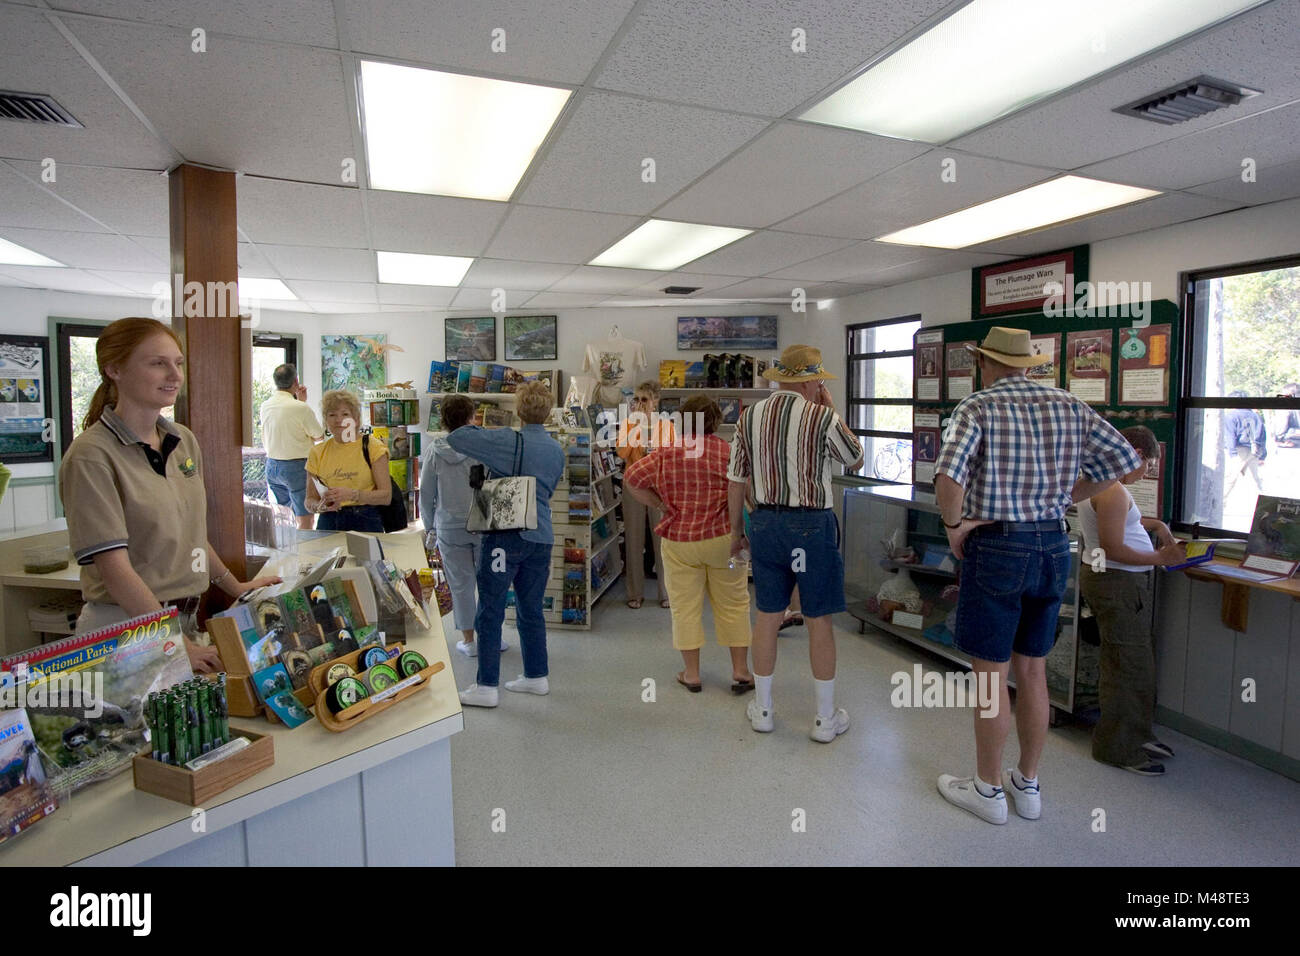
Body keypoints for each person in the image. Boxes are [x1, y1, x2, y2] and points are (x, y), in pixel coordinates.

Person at [934, 326, 1142, 825]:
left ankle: (986, 789)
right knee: (1032, 671)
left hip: (998, 546)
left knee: (990, 674)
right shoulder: (1069, 405)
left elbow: (948, 478)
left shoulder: (978, 407)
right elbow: (1125, 463)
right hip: (1053, 544)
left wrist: (954, 526)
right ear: (1027, 363)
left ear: (985, 362)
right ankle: (1027, 785)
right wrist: (1060, 498)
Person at [58, 317, 280, 672]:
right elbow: (115, 570)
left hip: (180, 621)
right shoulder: (91, 455)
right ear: (114, 369)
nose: (174, 375)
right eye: (157, 363)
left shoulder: (181, 440)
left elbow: (190, 534)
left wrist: (234, 586)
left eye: (177, 363)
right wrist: (171, 642)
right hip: (127, 630)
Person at [727, 345, 864, 742]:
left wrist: (737, 532)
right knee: (819, 618)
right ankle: (824, 719)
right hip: (811, 526)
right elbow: (854, 457)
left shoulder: (749, 416)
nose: (822, 385)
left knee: (768, 615)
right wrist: (832, 408)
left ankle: (764, 711)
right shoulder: (822, 417)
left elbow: (736, 479)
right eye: (820, 379)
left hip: (766, 523)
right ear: (808, 380)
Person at [446, 382, 565, 707]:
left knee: (491, 607)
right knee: (531, 609)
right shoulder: (556, 449)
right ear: (549, 411)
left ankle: (486, 686)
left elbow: (456, 437)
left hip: (505, 536)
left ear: (518, 410)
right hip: (541, 537)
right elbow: (550, 489)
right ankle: (536, 677)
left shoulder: (508, 440)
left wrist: (480, 423)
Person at [624, 395, 753, 693]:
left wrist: (659, 504)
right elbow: (748, 494)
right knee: (734, 602)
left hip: (679, 540)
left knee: (684, 607)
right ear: (716, 421)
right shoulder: (729, 452)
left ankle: (692, 674)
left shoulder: (665, 453)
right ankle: (741, 670)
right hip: (726, 540)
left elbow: (632, 479)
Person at [1077, 426, 1187, 776]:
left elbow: (1122, 526)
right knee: (1129, 666)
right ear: (1136, 454)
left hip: (1111, 579)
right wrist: (1162, 558)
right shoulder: (1111, 491)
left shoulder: (1099, 482)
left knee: (1127, 660)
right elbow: (1114, 546)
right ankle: (1119, 749)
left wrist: (1155, 527)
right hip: (1118, 582)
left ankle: (1136, 734)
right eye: (1148, 466)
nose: (1146, 473)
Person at [420, 394, 506, 659]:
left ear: (443, 420)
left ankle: (468, 641)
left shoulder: (435, 450)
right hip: (482, 523)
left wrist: (429, 526)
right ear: (471, 418)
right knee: (490, 581)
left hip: (448, 526)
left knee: (460, 584)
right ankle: (492, 637)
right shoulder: (482, 447)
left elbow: (426, 493)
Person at [617, 380, 675, 609]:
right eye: (636, 399)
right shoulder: (628, 425)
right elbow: (622, 452)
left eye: (644, 399)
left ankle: (665, 592)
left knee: (662, 541)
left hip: (658, 488)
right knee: (633, 540)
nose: (639, 404)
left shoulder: (666, 426)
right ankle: (635, 592)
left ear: (655, 401)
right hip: (632, 485)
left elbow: (671, 457)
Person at [305, 390, 389, 532]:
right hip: (329, 521)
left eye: (345, 414)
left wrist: (353, 495)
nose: (338, 420)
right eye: (332, 415)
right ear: (326, 421)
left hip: (365, 520)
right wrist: (320, 506)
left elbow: (386, 496)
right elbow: (309, 500)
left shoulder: (373, 447)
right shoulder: (317, 452)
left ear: (356, 419)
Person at [260, 363, 325, 530]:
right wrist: (302, 403)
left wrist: (301, 402)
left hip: (272, 465)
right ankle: (304, 554)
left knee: (283, 517)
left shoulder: (265, 405)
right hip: (296, 467)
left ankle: (287, 552)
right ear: (296, 381)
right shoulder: (300, 408)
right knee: (305, 518)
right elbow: (319, 435)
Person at [1223, 390, 1267, 498]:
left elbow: (1230, 436)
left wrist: (1232, 453)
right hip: (1254, 449)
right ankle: (1264, 502)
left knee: (1230, 478)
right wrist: (1263, 454)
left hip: (1239, 450)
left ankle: (1220, 501)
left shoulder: (1231, 416)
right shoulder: (1255, 415)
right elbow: (1262, 435)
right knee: (1255, 478)